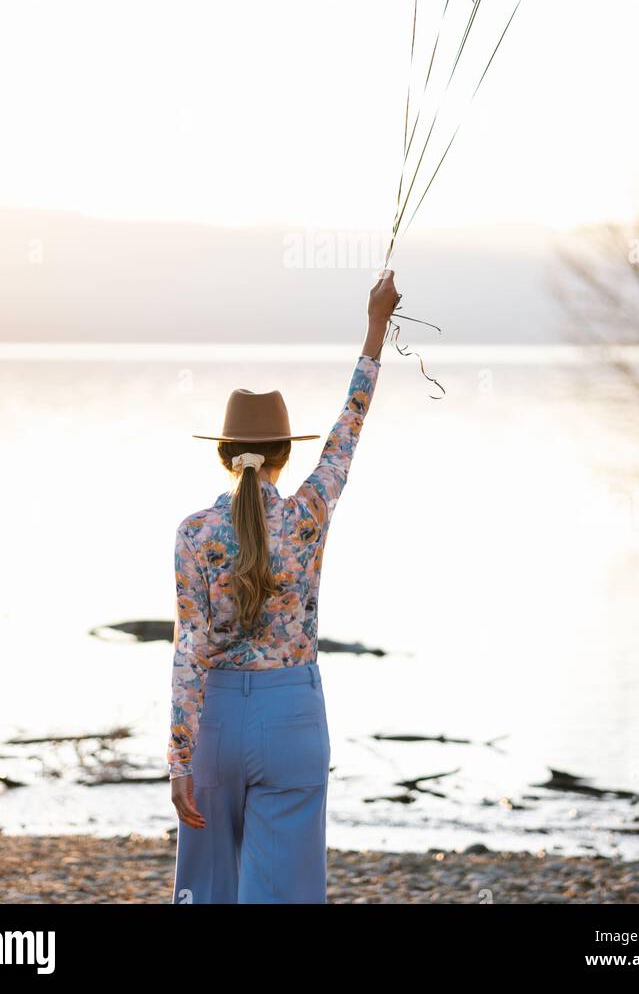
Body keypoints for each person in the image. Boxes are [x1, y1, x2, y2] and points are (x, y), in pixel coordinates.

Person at [168, 269, 400, 904]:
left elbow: (190, 650)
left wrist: (179, 759)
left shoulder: (194, 534)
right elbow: (347, 433)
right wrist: (375, 329)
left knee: (208, 892)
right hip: (290, 718)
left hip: (215, 723)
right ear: (283, 454)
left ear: (224, 453)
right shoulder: (308, 515)